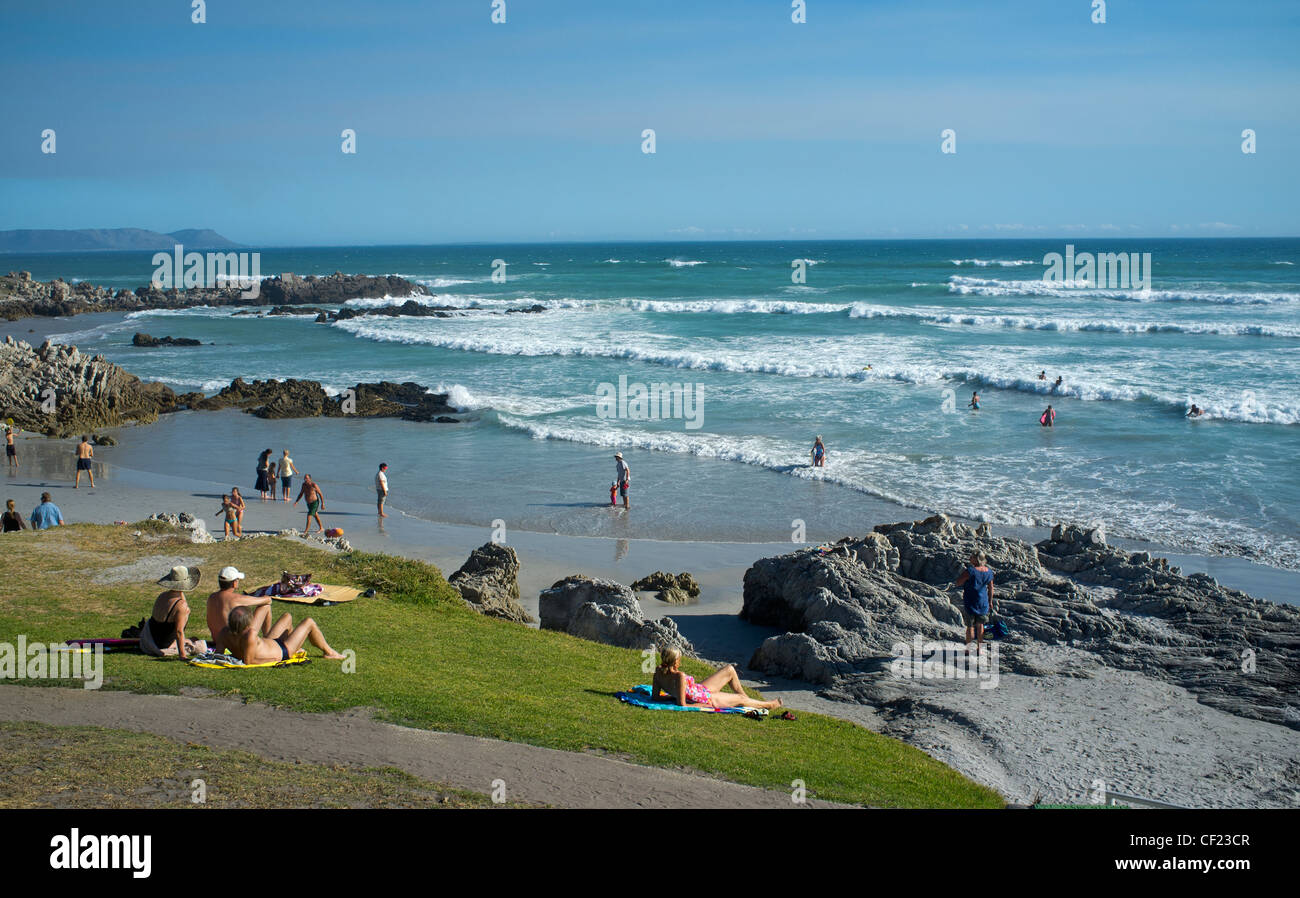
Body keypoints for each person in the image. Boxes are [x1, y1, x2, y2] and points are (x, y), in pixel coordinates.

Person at [651, 647, 782, 711]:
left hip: (699, 690)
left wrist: (671, 696)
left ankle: (748, 703)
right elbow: (683, 705)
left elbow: (655, 697)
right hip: (706, 698)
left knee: (729, 669)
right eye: (680, 659)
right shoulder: (678, 676)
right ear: (676, 661)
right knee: (740, 699)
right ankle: (769, 705)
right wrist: (705, 705)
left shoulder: (658, 671)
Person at [221, 603, 344, 663]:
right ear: (247, 623)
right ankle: (330, 652)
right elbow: (248, 662)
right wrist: (275, 659)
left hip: (270, 642)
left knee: (287, 617)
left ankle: (297, 647)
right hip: (283, 651)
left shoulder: (224, 633)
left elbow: (218, 654)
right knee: (309, 622)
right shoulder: (250, 635)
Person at [205, 565, 282, 649]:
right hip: (236, 643)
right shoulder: (235, 599)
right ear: (234, 583)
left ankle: (267, 639)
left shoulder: (211, 598)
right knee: (266, 606)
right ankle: (268, 640)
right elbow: (266, 600)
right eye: (237, 580)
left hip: (218, 642)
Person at [140, 566, 206, 659]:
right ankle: (181, 648)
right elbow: (179, 631)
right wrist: (182, 655)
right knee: (202, 646)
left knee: (193, 639)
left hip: (150, 639)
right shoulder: (180, 605)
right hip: (163, 645)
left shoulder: (162, 596)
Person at [953, 551, 995, 654]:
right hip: (983, 601)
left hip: (971, 600)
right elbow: (991, 588)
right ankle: (979, 649)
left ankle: (968, 649)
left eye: (971, 557)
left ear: (977, 559)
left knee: (970, 626)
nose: (969, 558)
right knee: (980, 625)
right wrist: (990, 601)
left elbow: (958, 582)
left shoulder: (970, 571)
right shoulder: (989, 571)